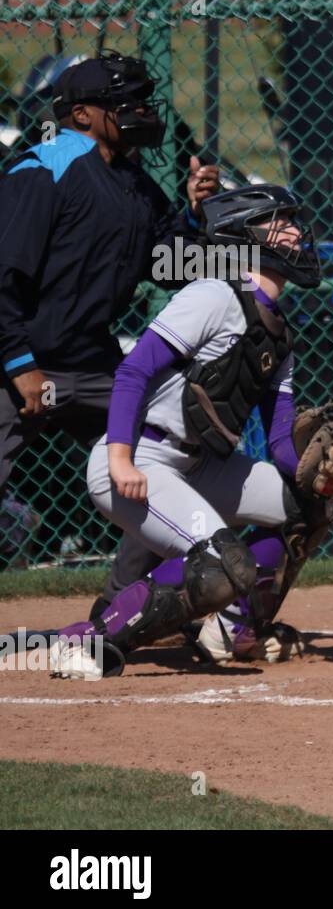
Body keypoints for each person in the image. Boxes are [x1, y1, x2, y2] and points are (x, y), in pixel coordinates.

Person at [42, 185, 333, 680]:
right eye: (281, 222)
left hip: (199, 467)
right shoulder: (213, 295)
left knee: (307, 507)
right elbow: (134, 372)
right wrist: (121, 459)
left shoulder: (279, 333)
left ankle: (232, 630)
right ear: (245, 236)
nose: (298, 232)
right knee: (222, 563)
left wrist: (315, 472)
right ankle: (89, 639)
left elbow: (279, 439)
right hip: (139, 458)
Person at [0, 53, 221, 597]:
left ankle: (128, 602)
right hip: (18, 361)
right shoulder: (43, 169)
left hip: (91, 364)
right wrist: (19, 362)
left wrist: (195, 215)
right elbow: (3, 274)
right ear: (81, 114)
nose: (141, 111)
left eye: (144, 100)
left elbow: (169, 268)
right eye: (126, 103)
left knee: (164, 458)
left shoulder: (134, 183)